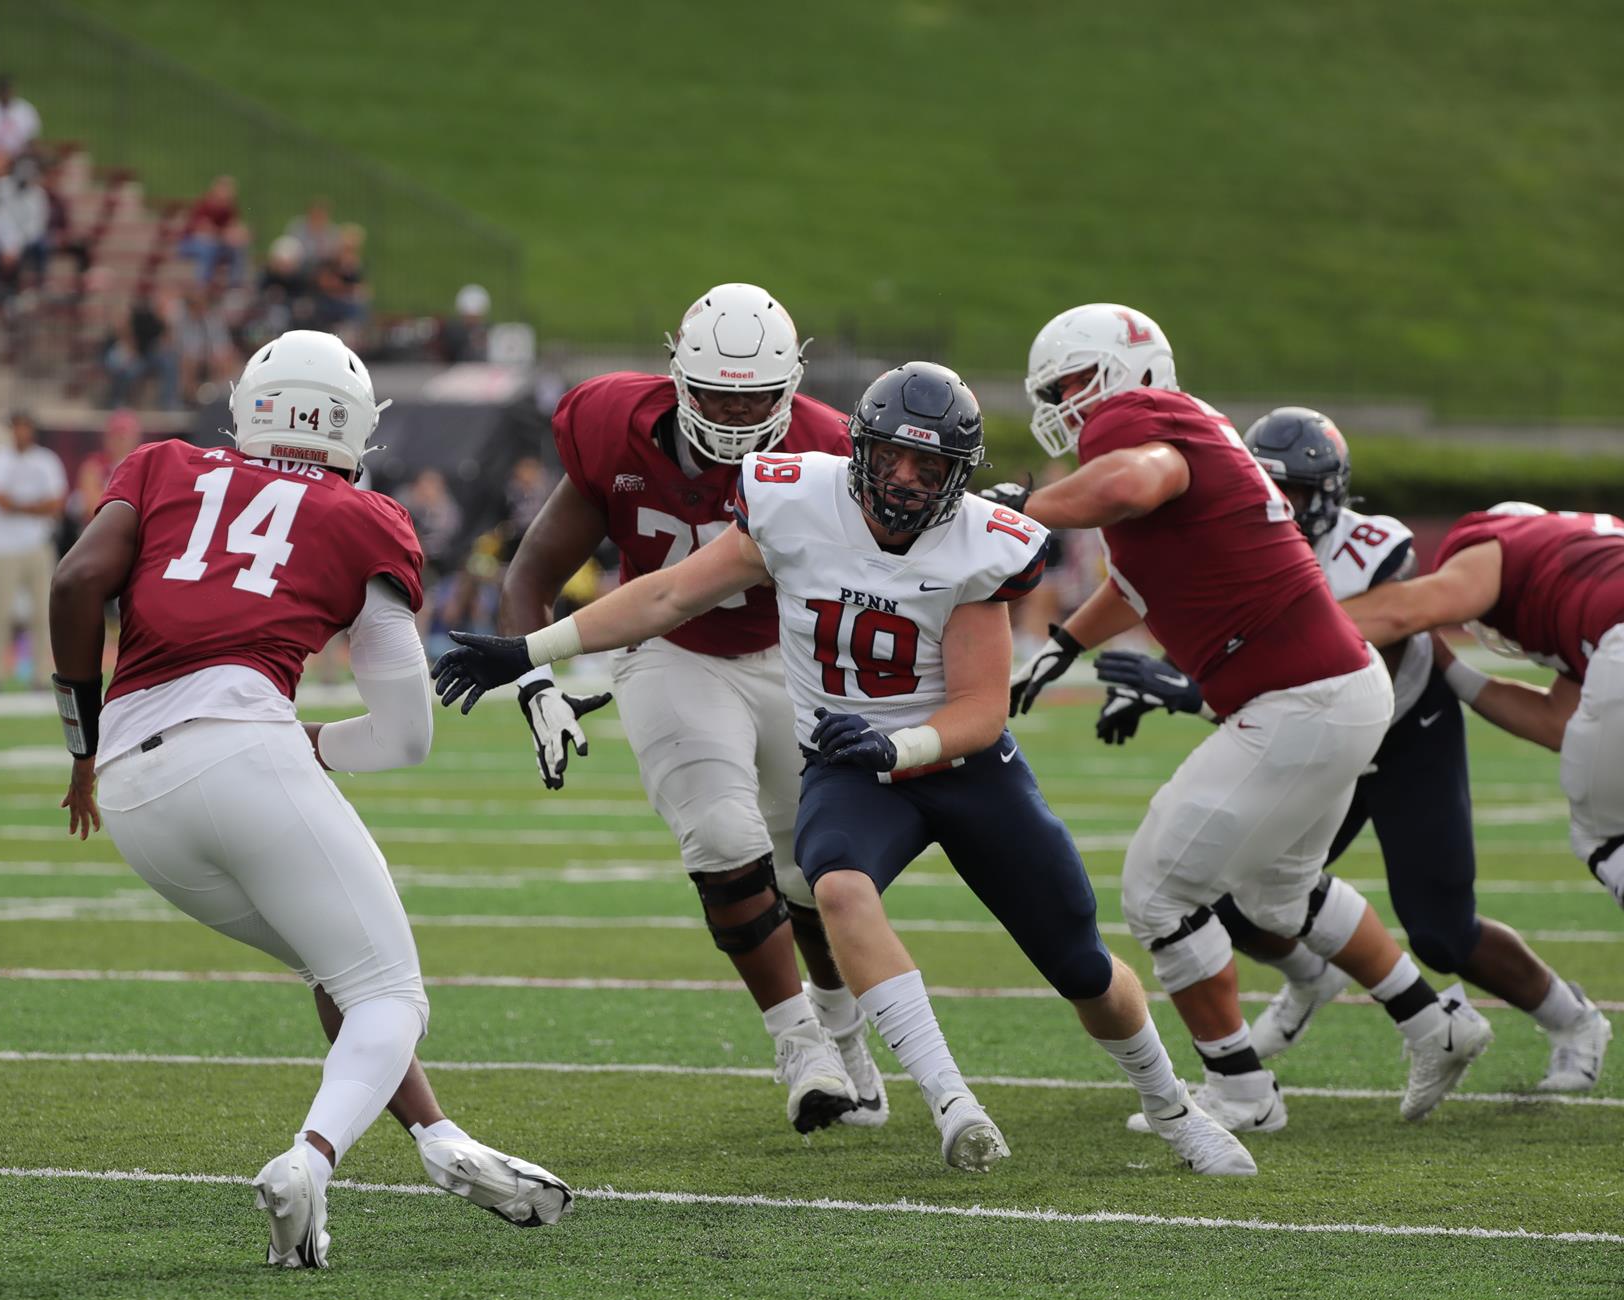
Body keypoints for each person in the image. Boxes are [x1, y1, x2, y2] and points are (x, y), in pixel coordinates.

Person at [437, 362, 1254, 1176]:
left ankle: (1171, 1106)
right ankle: (951, 1100)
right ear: (859, 448)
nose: (904, 479)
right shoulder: (794, 496)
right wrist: (527, 651)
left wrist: (899, 748)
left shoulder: (980, 541)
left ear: (957, 476)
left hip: (960, 763)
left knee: (1079, 961)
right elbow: (667, 595)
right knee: (832, 887)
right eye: (893, 457)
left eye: (928, 466)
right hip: (847, 762)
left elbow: (980, 709)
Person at [49, 329, 571, 1269]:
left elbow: (78, 579)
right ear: (354, 427)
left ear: (251, 403)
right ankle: (310, 1159)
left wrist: (79, 747)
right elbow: (406, 735)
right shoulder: (365, 516)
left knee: (339, 971)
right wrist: (309, 745)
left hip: (130, 789)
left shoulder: (163, 463)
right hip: (244, 746)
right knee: (392, 993)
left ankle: (440, 1139)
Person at [990, 303, 1489, 1131]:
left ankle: (1242, 1092)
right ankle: (1435, 1021)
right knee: (1277, 894)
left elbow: (1130, 481)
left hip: (1300, 699)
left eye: (1076, 381)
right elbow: (1138, 581)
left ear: (1126, 372)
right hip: (1334, 688)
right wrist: (1064, 643)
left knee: (1156, 894)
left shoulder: (1140, 422)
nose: (1066, 402)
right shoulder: (1187, 428)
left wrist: (1018, 506)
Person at [1095, 409, 1611, 1094]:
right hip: (1315, 742)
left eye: (1299, 494)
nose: (1286, 507)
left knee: (1441, 932)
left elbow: (1325, 655)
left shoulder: (1372, 549)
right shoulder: (1235, 542)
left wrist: (1194, 685)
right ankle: (1314, 977)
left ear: (1331, 493)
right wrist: (1164, 676)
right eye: (1273, 490)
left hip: (1401, 732)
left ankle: (1573, 1018)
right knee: (1225, 900)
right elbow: (1224, 642)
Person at [499, 283, 876, 1136]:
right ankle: (799, 1047)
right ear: (677, 377)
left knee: (810, 869)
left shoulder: (830, 448)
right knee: (720, 836)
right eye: (716, 395)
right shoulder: (613, 425)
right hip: (668, 651)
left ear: (791, 386)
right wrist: (534, 682)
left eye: (755, 396)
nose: (738, 415)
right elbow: (530, 572)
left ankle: (844, 1030)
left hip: (791, 657)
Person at [1340, 502, 1624, 915]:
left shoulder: (1497, 542)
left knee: (1605, 838)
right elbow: (1558, 724)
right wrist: (1453, 668)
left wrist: (1275, 629)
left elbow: (1401, 612)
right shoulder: (1591, 560)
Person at [0, 410, 66, 691]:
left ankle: (40, 676)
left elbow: (57, 503)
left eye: (26, 427)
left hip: (37, 544)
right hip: (3, 546)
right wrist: (34, 507)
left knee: (42, 615)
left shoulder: (46, 460)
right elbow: (0, 500)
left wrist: (22, 507)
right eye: (17, 427)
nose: (21, 433)